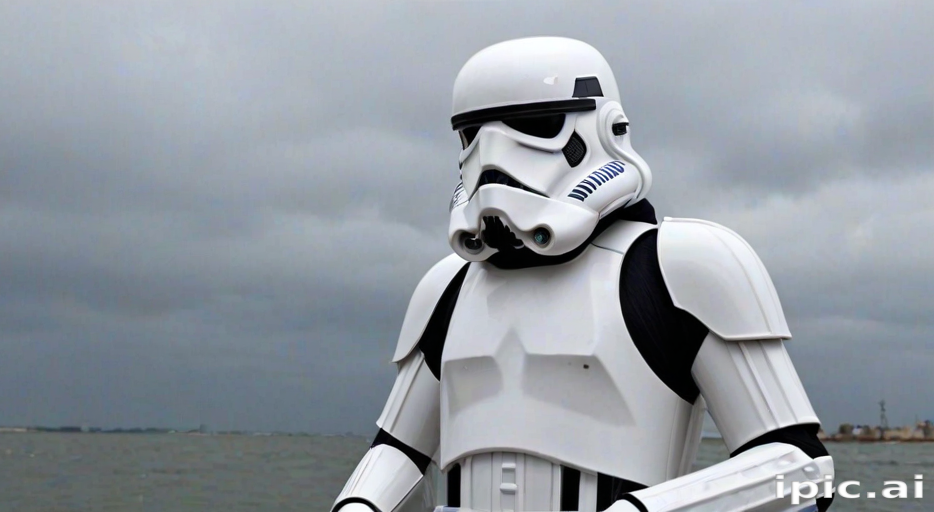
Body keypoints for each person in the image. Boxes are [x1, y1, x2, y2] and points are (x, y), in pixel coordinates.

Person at [331, 37, 833, 512]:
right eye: (473, 135)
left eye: (536, 125)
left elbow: (800, 469)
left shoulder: (680, 266)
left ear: (604, 129)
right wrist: (360, 503)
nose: (494, 161)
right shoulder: (449, 287)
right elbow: (399, 451)